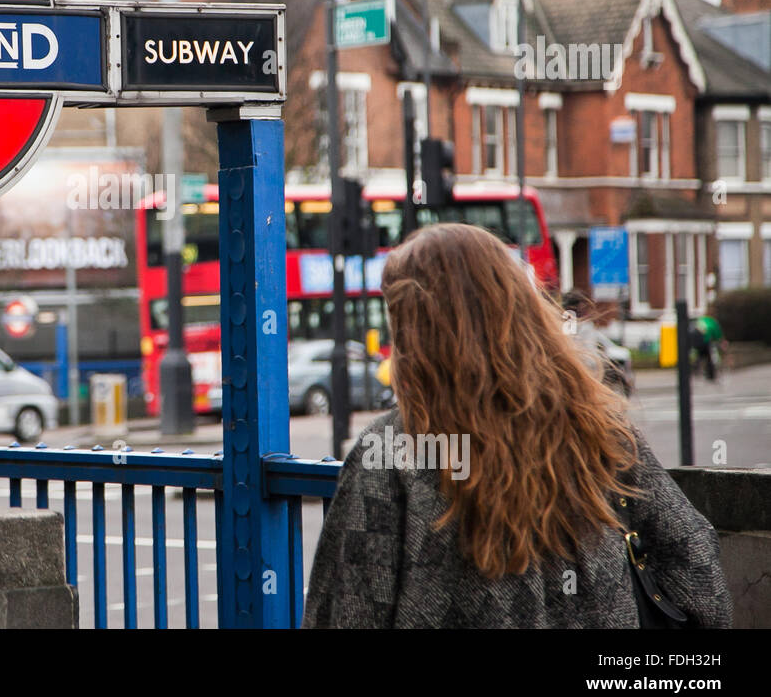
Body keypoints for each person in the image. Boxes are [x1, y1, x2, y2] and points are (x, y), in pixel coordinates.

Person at [303, 223, 731, 628]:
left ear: (414, 328)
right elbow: (697, 567)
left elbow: (346, 609)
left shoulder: (392, 451)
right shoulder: (598, 426)